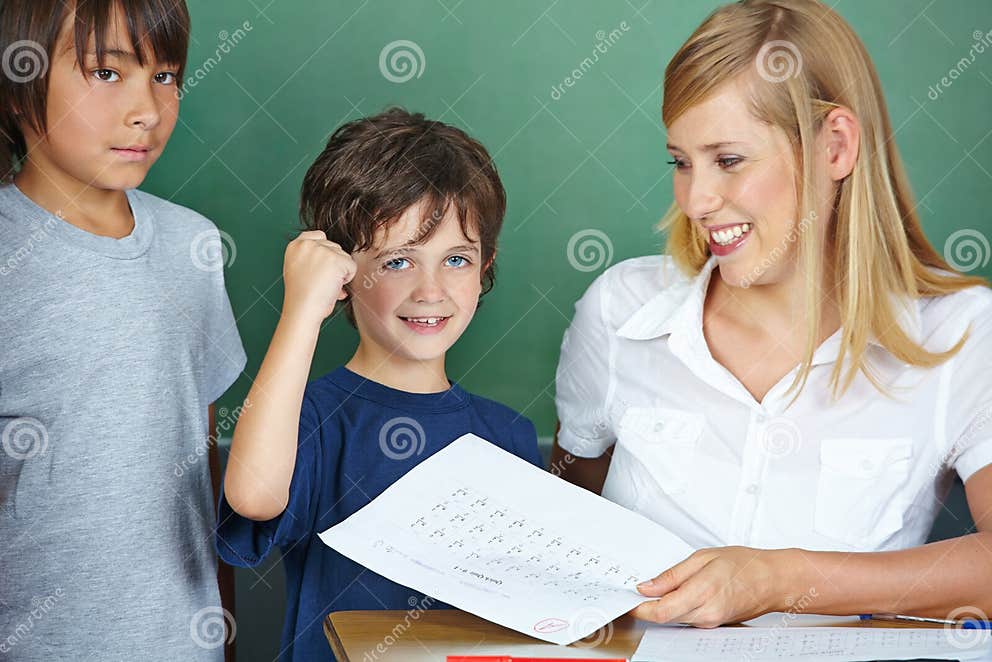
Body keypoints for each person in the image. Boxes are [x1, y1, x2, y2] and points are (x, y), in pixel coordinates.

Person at [553, 0, 992, 628]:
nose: (697, 200)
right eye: (680, 162)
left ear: (835, 147)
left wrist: (779, 577)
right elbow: (564, 510)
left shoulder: (961, 333)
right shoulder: (620, 311)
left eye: (729, 160)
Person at [216, 108, 543, 661]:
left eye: (457, 259)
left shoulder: (509, 435)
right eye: (397, 262)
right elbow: (252, 495)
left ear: (486, 265)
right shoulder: (316, 419)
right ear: (342, 272)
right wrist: (302, 309)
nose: (431, 290)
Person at [0, 1, 246, 659]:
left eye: (165, 76)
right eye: (106, 73)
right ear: (18, 85)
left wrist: (217, 626)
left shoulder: (191, 244)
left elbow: (201, 452)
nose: (148, 109)